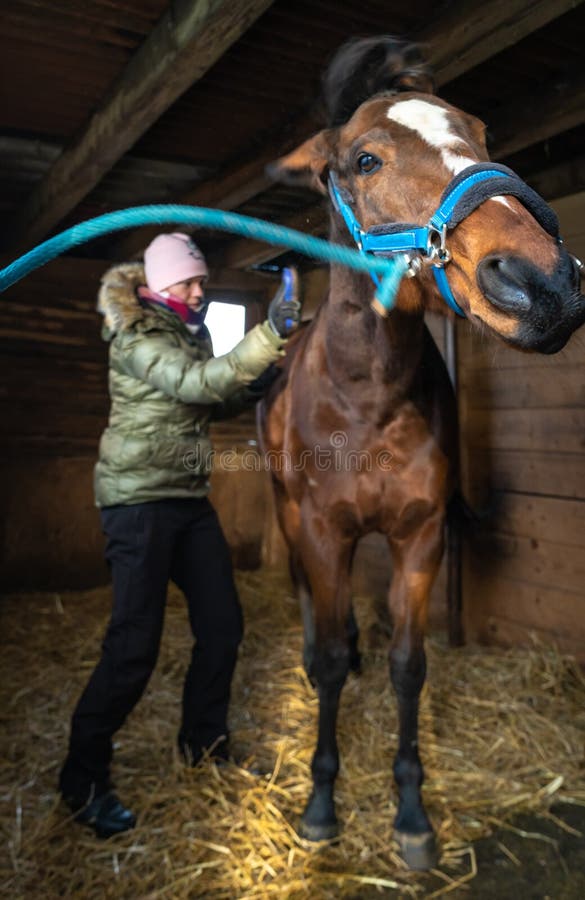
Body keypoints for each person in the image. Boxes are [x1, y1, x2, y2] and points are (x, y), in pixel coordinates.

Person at [58, 232, 301, 839]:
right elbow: (192, 385)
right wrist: (266, 336)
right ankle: (82, 781)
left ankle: (203, 746)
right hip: (137, 502)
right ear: (156, 285)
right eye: (188, 283)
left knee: (222, 627)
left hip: (187, 500)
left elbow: (201, 402)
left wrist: (251, 386)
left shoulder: (186, 330)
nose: (199, 291)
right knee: (133, 648)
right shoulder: (137, 334)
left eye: (200, 282)